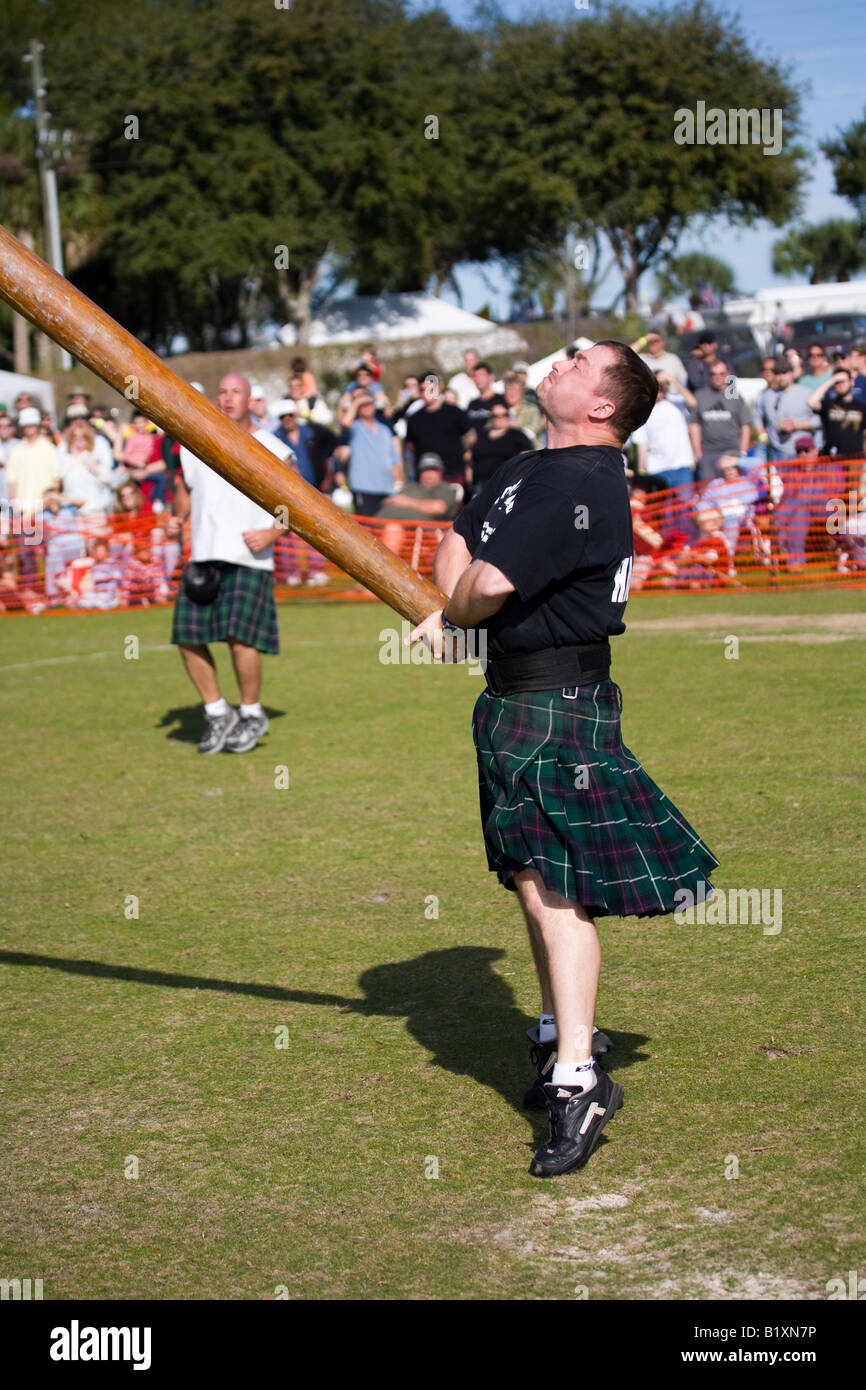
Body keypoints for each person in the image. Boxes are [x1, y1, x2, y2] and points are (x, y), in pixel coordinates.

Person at [409, 341, 718, 1178]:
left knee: (555, 886)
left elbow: (490, 584)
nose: (563, 361)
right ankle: (556, 1030)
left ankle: (578, 1080)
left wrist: (457, 608)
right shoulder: (524, 469)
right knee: (526, 873)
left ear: (603, 406)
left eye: (582, 362)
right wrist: (458, 597)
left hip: (559, 700)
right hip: (512, 698)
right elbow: (457, 542)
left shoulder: (582, 481)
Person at [166, 373, 292, 755]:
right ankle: (217, 711)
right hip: (204, 555)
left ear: (251, 399)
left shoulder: (272, 447)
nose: (227, 397)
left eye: (235, 391)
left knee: (241, 638)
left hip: (248, 557)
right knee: (187, 637)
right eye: (221, 391)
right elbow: (184, 492)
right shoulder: (194, 445)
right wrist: (177, 517)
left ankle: (251, 713)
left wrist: (271, 533)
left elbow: (299, 502)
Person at [333, 392, 402, 516]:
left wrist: (398, 481)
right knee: (365, 528)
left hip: (386, 487)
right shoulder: (355, 426)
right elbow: (345, 422)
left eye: (369, 404)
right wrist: (357, 402)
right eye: (362, 405)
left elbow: (394, 460)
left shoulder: (385, 429)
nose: (366, 406)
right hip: (363, 487)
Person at [404, 374, 475, 485]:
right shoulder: (414, 419)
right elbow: (410, 445)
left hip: (453, 473)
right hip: (426, 477)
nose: (427, 393)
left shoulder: (455, 412)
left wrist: (459, 451)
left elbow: (470, 436)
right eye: (423, 390)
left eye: (431, 389)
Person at [688, 360, 751, 483]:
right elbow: (694, 425)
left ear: (727, 374)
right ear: (709, 375)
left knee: (734, 490)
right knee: (709, 491)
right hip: (708, 453)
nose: (717, 377)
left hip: (732, 452)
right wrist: (698, 453)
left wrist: (742, 452)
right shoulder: (700, 395)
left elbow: (745, 426)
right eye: (713, 374)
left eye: (721, 374)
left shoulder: (735, 396)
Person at [758, 360, 818, 461]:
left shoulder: (806, 393)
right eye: (777, 373)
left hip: (800, 453)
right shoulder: (766, 395)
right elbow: (757, 418)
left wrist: (795, 425)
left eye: (784, 373)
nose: (781, 377)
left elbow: (820, 421)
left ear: (792, 374)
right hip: (774, 453)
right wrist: (763, 438)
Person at [467, 403, 534, 492]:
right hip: (480, 486)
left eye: (503, 415)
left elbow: (528, 460)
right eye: (495, 415)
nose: (499, 418)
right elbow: (471, 461)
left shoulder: (518, 436)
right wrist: (469, 483)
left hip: (505, 485)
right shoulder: (481, 435)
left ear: (508, 416)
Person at [5, 407, 60, 515]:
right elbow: (12, 482)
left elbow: (56, 481)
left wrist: (52, 503)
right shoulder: (16, 450)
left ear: (37, 425)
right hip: (22, 510)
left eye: (31, 424)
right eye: (26, 425)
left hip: (45, 509)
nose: (29, 428)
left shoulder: (50, 448)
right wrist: (15, 507)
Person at [376, 453, 460, 522]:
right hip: (377, 524)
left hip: (416, 533)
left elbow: (439, 507)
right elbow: (388, 501)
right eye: (425, 470)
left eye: (433, 470)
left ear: (441, 472)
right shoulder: (411, 486)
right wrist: (391, 501)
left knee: (393, 528)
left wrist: (407, 501)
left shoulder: (444, 488)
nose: (429, 475)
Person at [502, 372, 544, 443]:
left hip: (529, 452)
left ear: (521, 391)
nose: (511, 393)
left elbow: (532, 432)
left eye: (514, 389)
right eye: (509, 389)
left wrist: (515, 428)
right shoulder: (498, 411)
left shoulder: (532, 410)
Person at [465, 362, 506, 430]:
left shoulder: (501, 400)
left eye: (481, 375)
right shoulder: (472, 404)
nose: (477, 378)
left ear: (491, 377)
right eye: (475, 376)